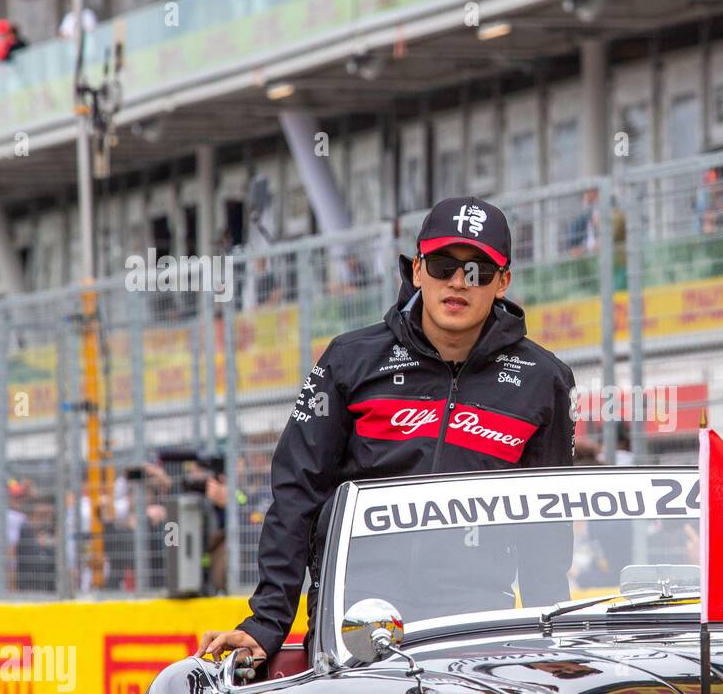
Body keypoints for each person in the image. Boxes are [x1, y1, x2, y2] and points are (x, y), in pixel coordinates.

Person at [198, 196, 577, 665]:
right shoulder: (349, 360)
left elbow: (547, 521)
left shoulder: (544, 379)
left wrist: (552, 636)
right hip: (356, 615)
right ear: (417, 270)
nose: (458, 282)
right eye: (442, 265)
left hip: (475, 623)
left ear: (503, 283)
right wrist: (268, 620)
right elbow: (297, 493)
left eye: (478, 271)